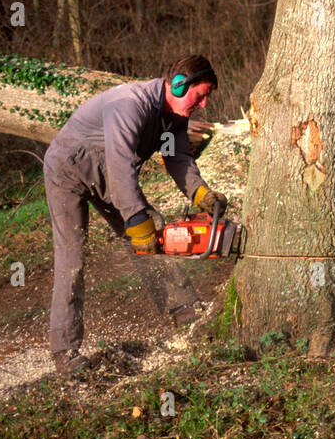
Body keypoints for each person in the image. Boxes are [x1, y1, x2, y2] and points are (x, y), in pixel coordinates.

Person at [42, 53, 228, 378]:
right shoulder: (131, 104)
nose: (203, 104)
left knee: (154, 231)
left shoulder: (173, 119)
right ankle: (65, 350)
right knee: (72, 258)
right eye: (200, 95)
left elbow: (178, 158)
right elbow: (120, 162)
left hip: (107, 171)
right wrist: (133, 218)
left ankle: (184, 308)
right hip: (67, 170)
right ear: (180, 85)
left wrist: (201, 194)